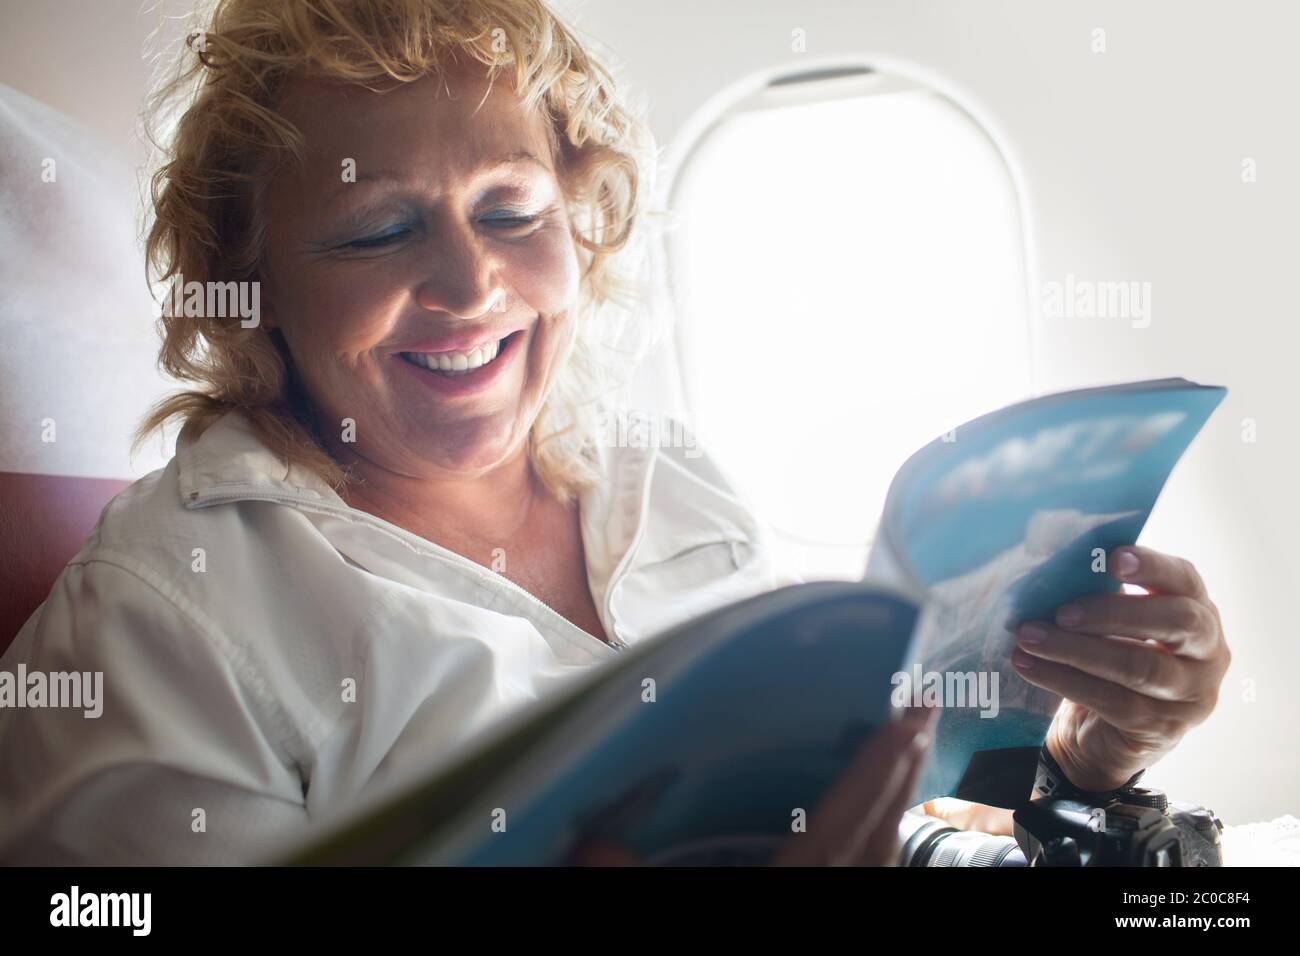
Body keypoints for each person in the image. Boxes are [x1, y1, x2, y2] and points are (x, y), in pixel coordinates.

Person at [0, 0, 1230, 865]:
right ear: (253, 279)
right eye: (378, 228)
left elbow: (852, 814)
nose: (473, 284)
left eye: (509, 207)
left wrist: (1085, 760)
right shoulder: (164, 617)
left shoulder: (659, 476)